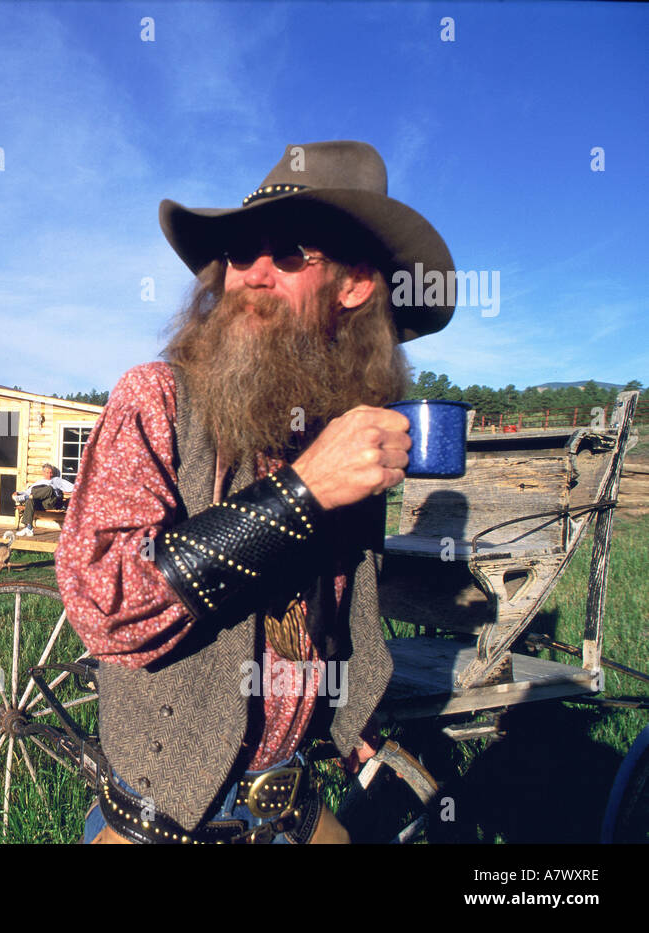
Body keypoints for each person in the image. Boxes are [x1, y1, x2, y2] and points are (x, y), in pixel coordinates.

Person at [55, 141, 456, 844]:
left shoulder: (342, 429)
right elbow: (102, 600)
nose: (252, 274)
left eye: (289, 252)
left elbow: (331, 606)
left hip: (292, 803)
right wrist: (301, 493)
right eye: (241, 252)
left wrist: (349, 718)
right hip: (166, 820)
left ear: (356, 283)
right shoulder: (154, 398)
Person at [12, 463, 75, 536]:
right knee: (30, 500)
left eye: (51, 473)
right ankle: (29, 528)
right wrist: (18, 493)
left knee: (49, 489)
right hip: (41, 503)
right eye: (48, 472)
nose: (50, 475)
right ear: (43, 473)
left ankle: (25, 498)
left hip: (51, 502)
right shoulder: (39, 482)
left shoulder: (56, 480)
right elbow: (27, 492)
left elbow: (72, 487)